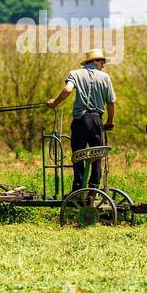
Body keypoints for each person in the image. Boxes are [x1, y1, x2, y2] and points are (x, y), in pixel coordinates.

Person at [47, 48, 116, 190]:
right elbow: (111, 103)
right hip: (97, 119)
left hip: (80, 120)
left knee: (78, 155)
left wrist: (55, 102)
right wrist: (109, 122)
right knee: (97, 154)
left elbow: (67, 90)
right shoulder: (105, 78)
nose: (103, 65)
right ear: (95, 61)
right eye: (102, 62)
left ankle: (78, 189)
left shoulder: (75, 74)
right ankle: (94, 187)